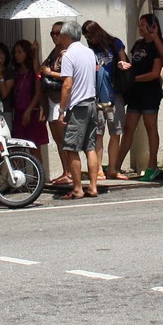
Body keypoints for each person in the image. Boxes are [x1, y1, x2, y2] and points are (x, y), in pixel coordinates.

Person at [111, 13, 163, 180]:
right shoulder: (137, 44)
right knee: (128, 128)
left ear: (151, 26)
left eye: (143, 25)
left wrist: (135, 79)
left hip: (150, 92)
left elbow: (155, 73)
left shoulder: (157, 47)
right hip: (135, 92)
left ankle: (152, 165)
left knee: (150, 128)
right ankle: (116, 166)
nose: (140, 27)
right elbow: (132, 65)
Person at [55, 21, 100, 199]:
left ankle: (78, 188)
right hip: (91, 102)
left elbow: (67, 85)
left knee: (71, 147)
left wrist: (61, 109)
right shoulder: (89, 52)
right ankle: (94, 187)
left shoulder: (69, 56)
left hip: (77, 105)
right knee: (90, 146)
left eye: (60, 35)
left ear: (66, 36)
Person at [82, 20, 127, 183]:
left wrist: (122, 64)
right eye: (87, 37)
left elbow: (124, 61)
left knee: (116, 133)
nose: (90, 40)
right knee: (98, 134)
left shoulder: (115, 43)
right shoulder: (90, 51)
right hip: (98, 96)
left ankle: (113, 168)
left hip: (114, 94)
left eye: (91, 36)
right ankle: (99, 168)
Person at [10, 39, 49, 168]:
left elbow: (38, 93)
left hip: (32, 113)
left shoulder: (33, 73)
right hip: (18, 114)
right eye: (15, 52)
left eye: (20, 52)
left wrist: (35, 52)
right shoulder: (15, 73)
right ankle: (19, 178)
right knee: (16, 148)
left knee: (34, 148)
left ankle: (39, 179)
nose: (17, 55)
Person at [40, 23, 70, 188]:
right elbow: (41, 69)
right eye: (52, 33)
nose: (54, 36)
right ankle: (66, 170)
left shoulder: (66, 53)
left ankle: (70, 172)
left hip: (61, 99)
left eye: (58, 33)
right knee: (58, 139)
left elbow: (68, 76)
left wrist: (50, 73)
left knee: (64, 138)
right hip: (51, 98)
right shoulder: (53, 52)